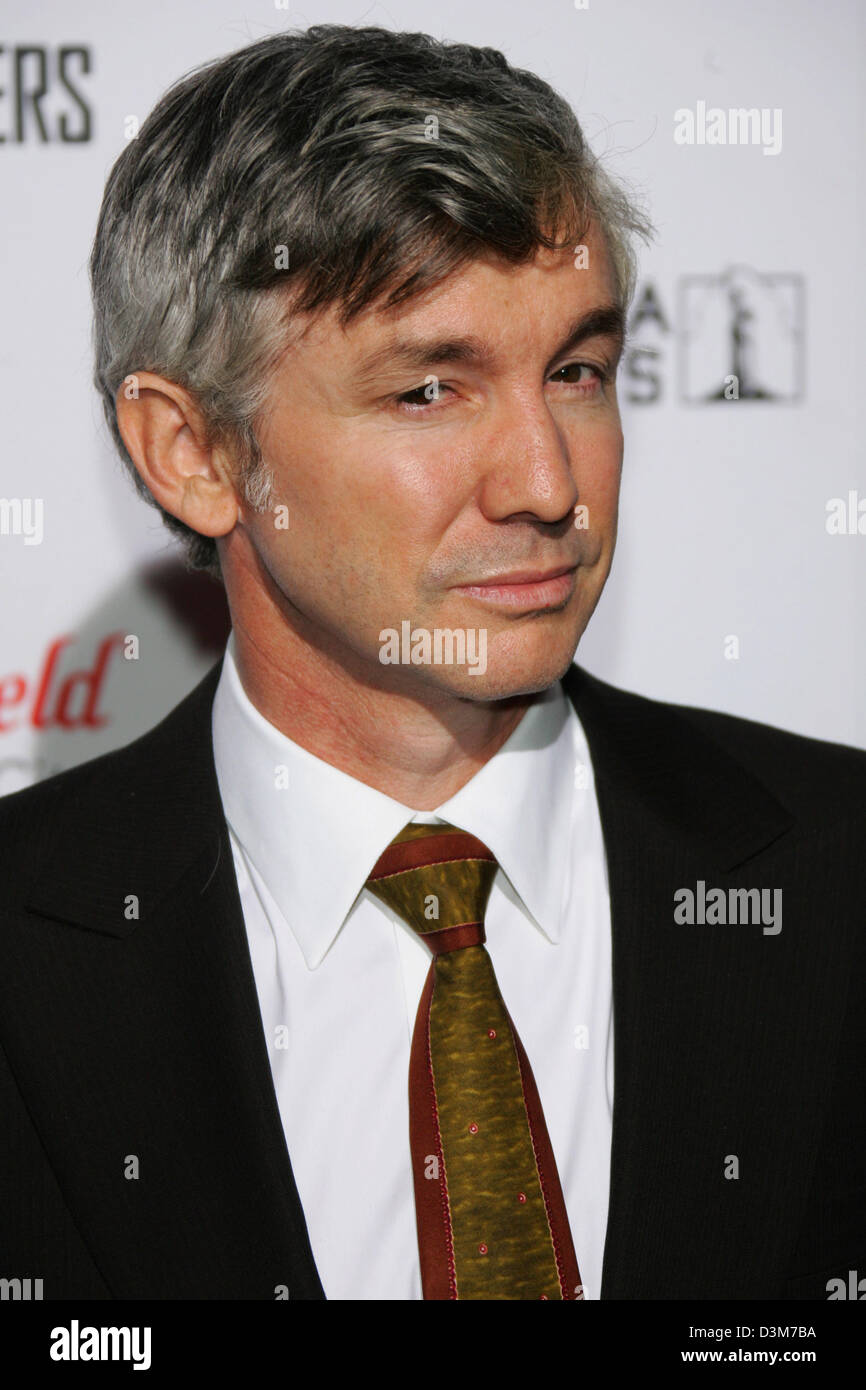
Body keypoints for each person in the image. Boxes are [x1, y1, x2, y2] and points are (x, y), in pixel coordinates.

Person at [0, 25, 863, 1302]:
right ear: (191, 451)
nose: (548, 483)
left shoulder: (839, 869)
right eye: (427, 392)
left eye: (576, 371)